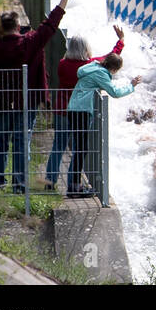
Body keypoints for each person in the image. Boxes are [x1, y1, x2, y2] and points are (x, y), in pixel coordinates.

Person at [0, 0, 73, 192]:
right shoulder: (29, 42)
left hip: (3, 100)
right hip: (27, 99)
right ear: (17, 27)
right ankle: (19, 184)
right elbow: (50, 24)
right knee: (22, 142)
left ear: (1, 27)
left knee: (0, 141)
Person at [48, 25, 124, 191]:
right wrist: (120, 42)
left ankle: (49, 181)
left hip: (61, 110)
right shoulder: (90, 65)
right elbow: (109, 58)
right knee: (78, 149)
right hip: (80, 112)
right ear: (86, 49)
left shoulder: (62, 64)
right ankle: (74, 184)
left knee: (58, 147)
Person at [67, 52, 140, 195]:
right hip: (82, 111)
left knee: (80, 149)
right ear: (114, 69)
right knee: (81, 150)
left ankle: (74, 185)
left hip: (73, 108)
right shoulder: (101, 74)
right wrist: (131, 86)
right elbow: (115, 92)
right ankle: (74, 187)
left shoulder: (92, 66)